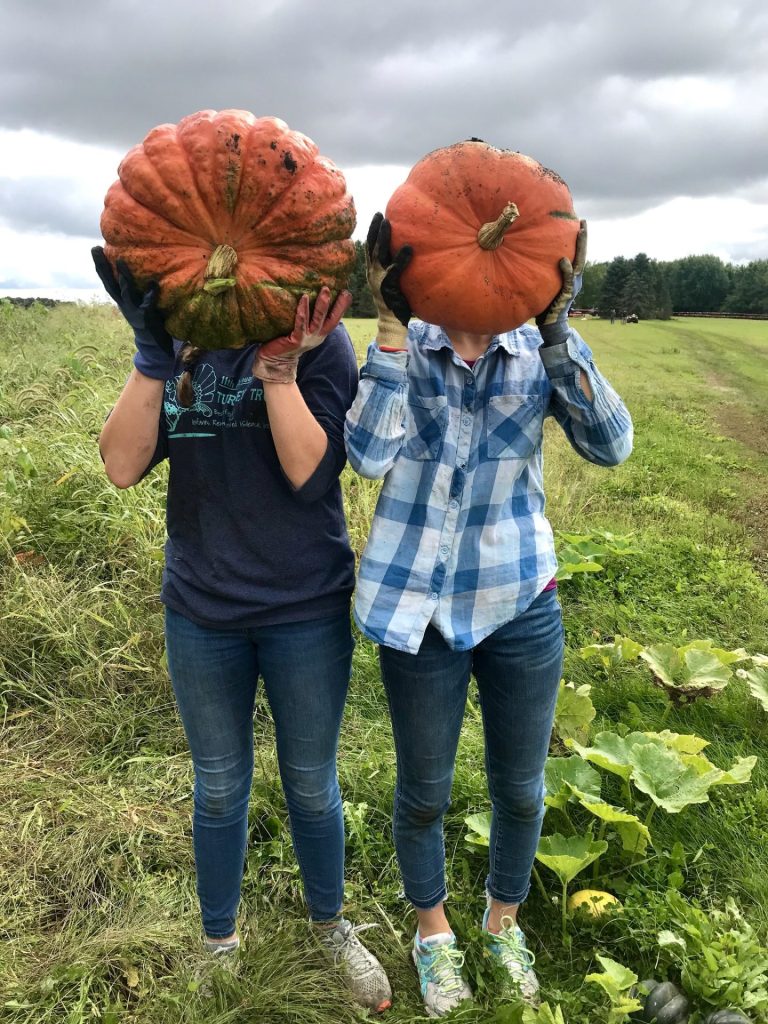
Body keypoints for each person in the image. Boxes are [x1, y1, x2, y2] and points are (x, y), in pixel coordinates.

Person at [344, 214, 633, 1016]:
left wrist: (557, 328)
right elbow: (366, 457)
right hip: (420, 612)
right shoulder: (410, 345)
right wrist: (393, 327)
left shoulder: (534, 351)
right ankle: (434, 933)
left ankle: (503, 921)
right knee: (425, 791)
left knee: (522, 786)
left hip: (519, 601)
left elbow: (612, 445)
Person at [93, 249, 392, 1013]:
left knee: (312, 786)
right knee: (220, 787)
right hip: (202, 610)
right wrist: (149, 357)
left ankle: (331, 926)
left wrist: (283, 373)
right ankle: (219, 940)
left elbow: (313, 474)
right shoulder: (182, 340)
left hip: (304, 608)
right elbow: (123, 465)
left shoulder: (317, 337)